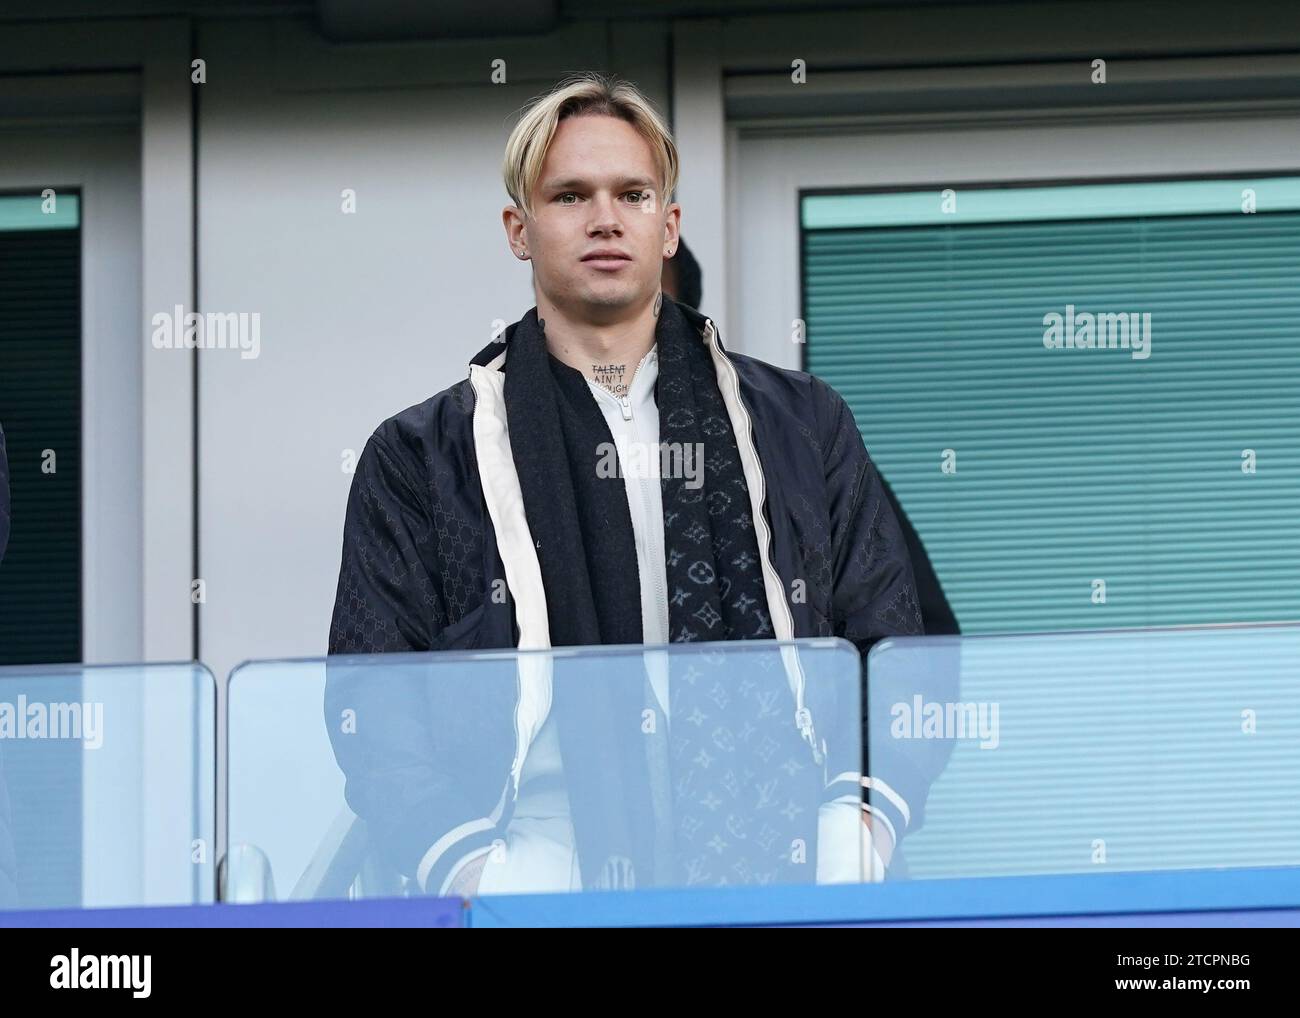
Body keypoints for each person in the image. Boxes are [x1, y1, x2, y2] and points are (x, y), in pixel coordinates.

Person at [327, 72, 945, 896]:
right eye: (570, 196)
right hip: (534, 866)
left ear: (668, 225)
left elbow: (897, 647)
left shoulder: (801, 422)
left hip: (792, 862)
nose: (606, 218)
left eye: (633, 193)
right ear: (520, 229)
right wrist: (473, 867)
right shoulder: (420, 455)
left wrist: (858, 828)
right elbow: (373, 700)